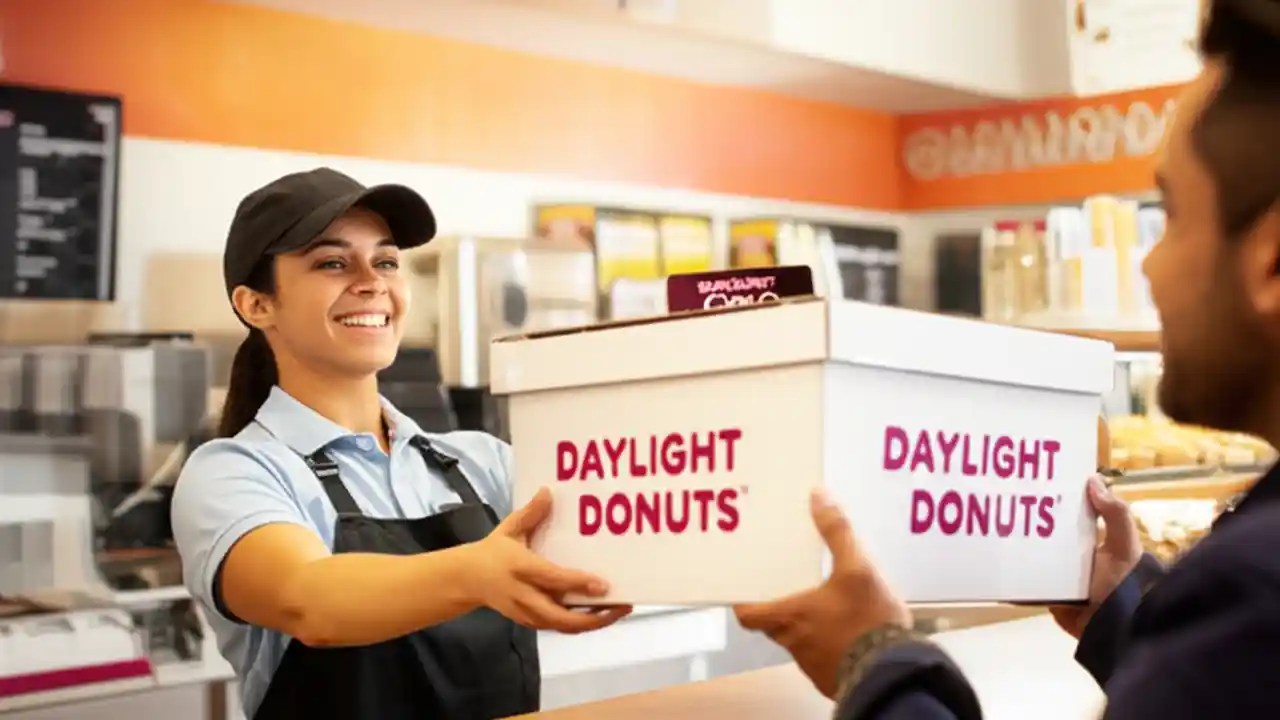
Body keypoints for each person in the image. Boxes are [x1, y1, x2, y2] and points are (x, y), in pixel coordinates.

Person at [733, 1, 1280, 717]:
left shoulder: (1250, 592)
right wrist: (1121, 602)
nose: (1148, 265)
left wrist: (874, 659)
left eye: (1172, 214)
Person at [171, 168, 631, 720]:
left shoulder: (481, 461)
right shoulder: (233, 472)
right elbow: (309, 597)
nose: (372, 281)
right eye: (332, 262)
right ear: (256, 305)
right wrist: (475, 573)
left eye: (386, 261)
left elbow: (632, 533)